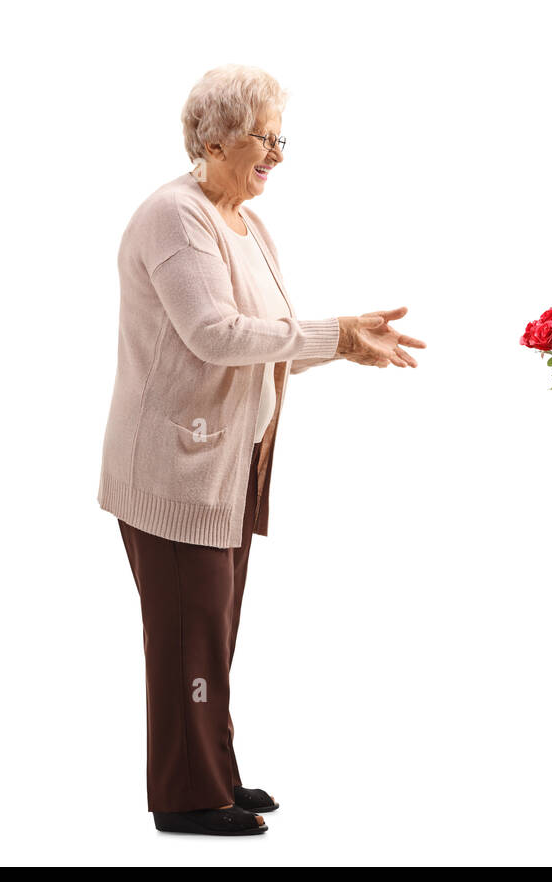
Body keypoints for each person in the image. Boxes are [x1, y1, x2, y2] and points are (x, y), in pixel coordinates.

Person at [97, 64, 426, 836]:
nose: (277, 152)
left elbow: (261, 342)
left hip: (229, 465)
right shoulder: (176, 219)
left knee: (209, 634)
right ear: (212, 140)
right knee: (190, 637)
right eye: (262, 137)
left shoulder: (244, 219)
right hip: (176, 469)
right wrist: (335, 333)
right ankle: (187, 798)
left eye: (282, 137)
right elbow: (214, 336)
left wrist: (347, 345)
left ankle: (213, 771)